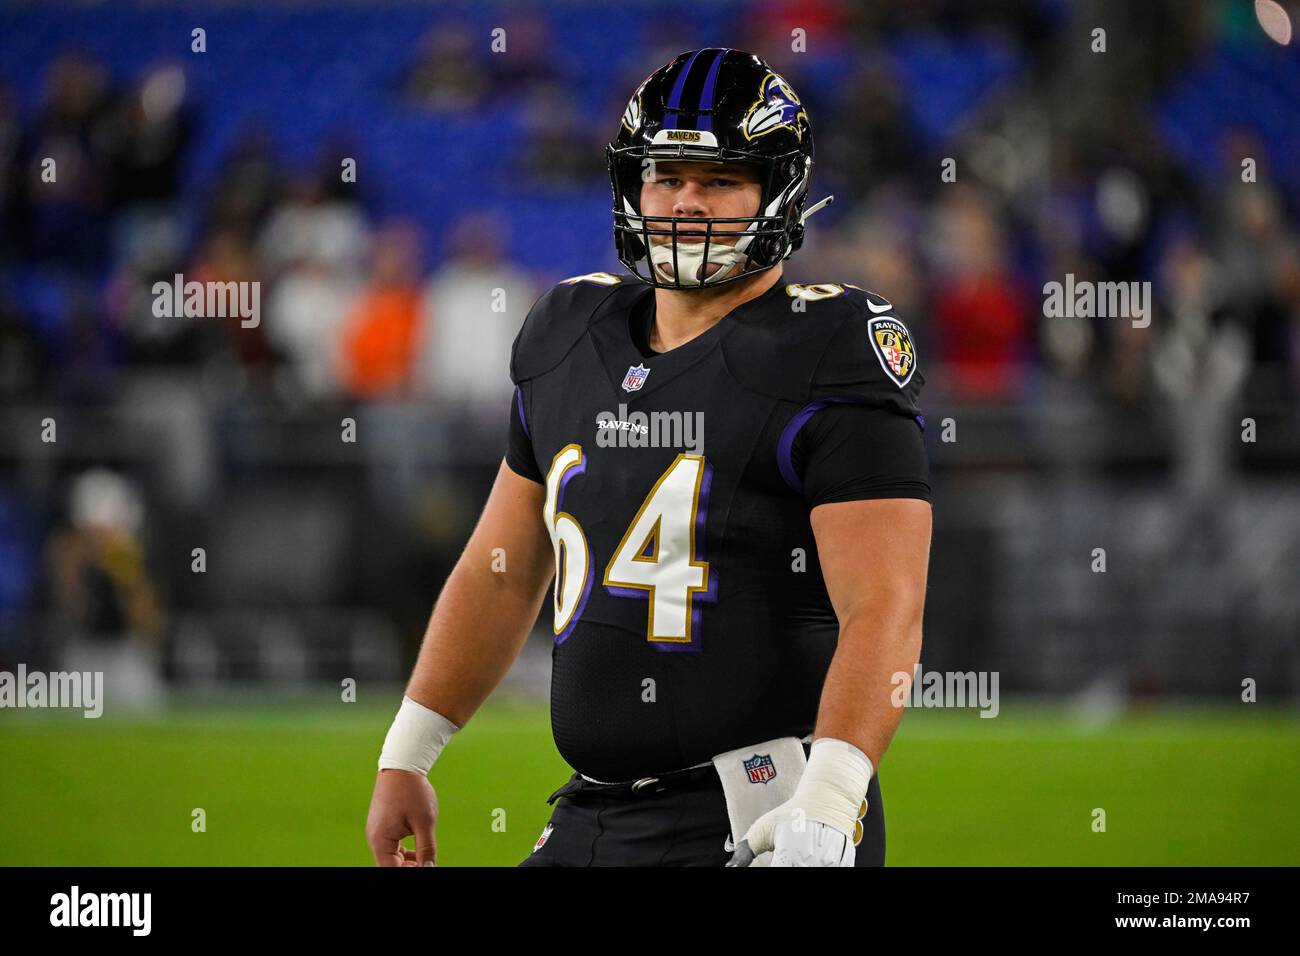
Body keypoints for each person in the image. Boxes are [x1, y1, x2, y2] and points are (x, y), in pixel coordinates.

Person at [365, 48, 932, 867]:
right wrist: (409, 750)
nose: (685, 204)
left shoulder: (828, 347)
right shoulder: (567, 330)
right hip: (590, 809)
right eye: (665, 177)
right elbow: (503, 567)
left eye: (719, 180)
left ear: (780, 190)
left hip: (764, 817)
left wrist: (833, 798)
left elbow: (885, 606)